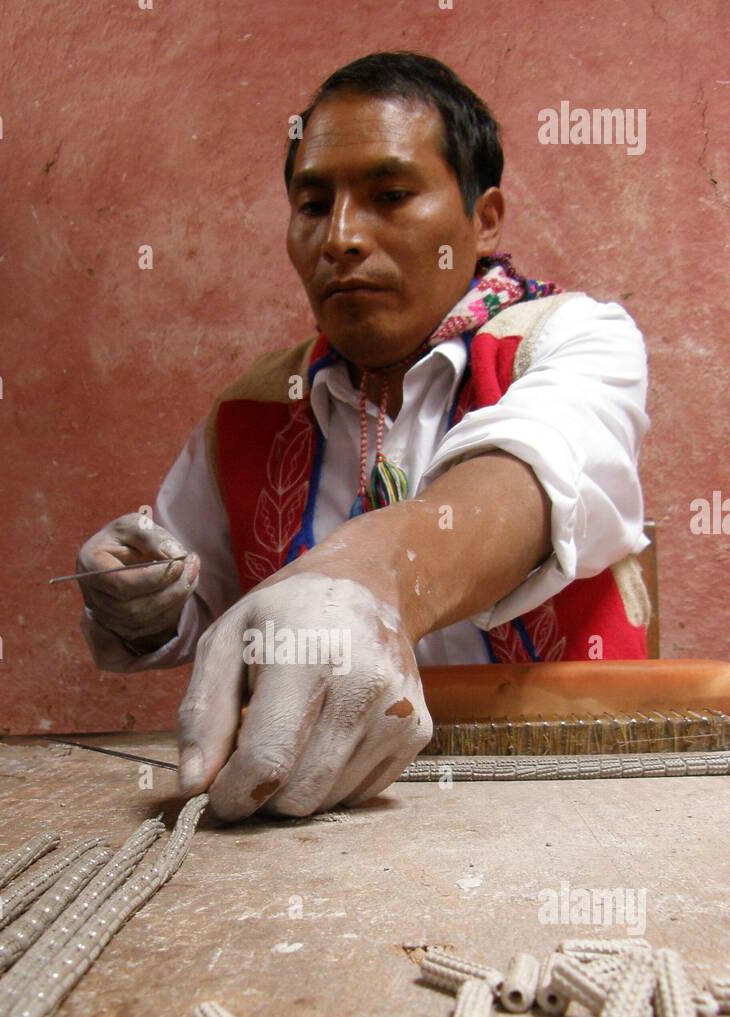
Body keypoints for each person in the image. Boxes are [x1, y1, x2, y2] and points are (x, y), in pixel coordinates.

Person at [77, 51, 650, 822]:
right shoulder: (250, 410)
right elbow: (189, 601)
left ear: (483, 220)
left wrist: (358, 579)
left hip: (562, 800)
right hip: (324, 807)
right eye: (314, 205)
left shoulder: (576, 341)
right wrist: (133, 599)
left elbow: (525, 477)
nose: (341, 238)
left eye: (390, 195)